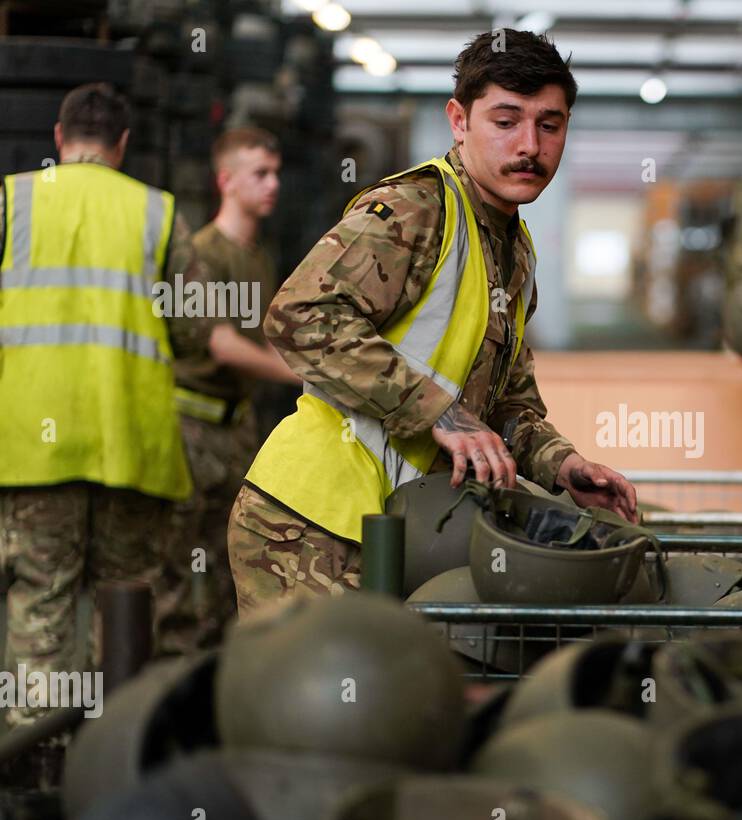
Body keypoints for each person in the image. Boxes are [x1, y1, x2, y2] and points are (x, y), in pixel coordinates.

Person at [227, 29, 637, 615]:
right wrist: (438, 411)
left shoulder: (513, 249)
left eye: (550, 125)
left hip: (400, 526)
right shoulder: (417, 210)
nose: (529, 145)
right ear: (458, 121)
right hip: (311, 522)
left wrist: (562, 465)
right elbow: (300, 315)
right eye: (505, 120)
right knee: (319, 702)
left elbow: (509, 404)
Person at [0, 83, 211, 729]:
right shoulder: (157, 212)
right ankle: (109, 758)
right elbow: (195, 329)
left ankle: (36, 767)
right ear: (122, 145)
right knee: (121, 608)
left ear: (59, 140)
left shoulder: (13, 199)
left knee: (42, 601)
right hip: (131, 446)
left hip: (33, 449)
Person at [156, 127, 299, 654]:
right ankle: (171, 678)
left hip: (236, 425)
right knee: (180, 565)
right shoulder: (201, 255)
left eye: (276, 172)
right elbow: (220, 344)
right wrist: (303, 374)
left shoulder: (256, 256)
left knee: (227, 562)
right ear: (226, 180)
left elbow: (262, 334)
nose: (273, 185)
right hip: (191, 429)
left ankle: (215, 674)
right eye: (260, 173)